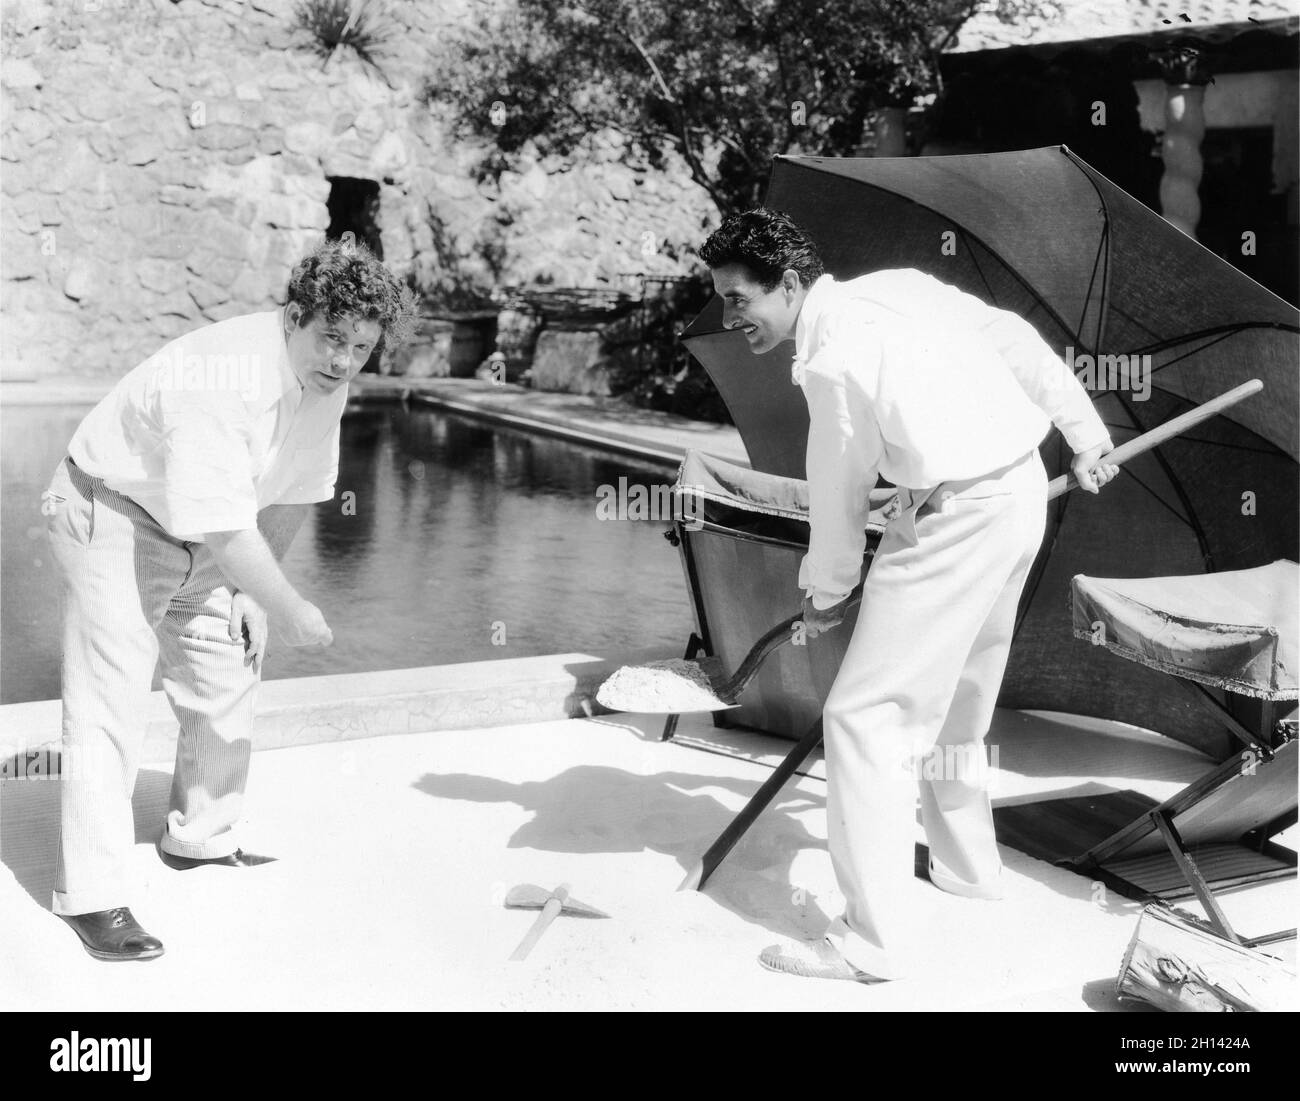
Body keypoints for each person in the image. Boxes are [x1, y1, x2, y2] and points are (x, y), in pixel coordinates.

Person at [698, 209, 1118, 983]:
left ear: (788, 284)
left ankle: (870, 942)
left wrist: (826, 591)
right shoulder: (898, 287)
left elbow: (839, 487)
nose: (730, 318)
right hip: (1019, 489)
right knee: (960, 698)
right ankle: (966, 868)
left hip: (959, 516)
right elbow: (1014, 343)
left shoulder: (829, 360)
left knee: (866, 719)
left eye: (738, 298)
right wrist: (1085, 431)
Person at [42, 236, 413, 961]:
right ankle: (93, 895)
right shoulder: (224, 372)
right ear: (294, 314)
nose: (342, 359)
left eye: (361, 348)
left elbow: (296, 490)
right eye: (332, 337)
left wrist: (252, 591)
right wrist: (288, 603)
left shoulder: (327, 384)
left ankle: (199, 836)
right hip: (112, 510)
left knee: (227, 664)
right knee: (109, 698)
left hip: (202, 532)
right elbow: (223, 523)